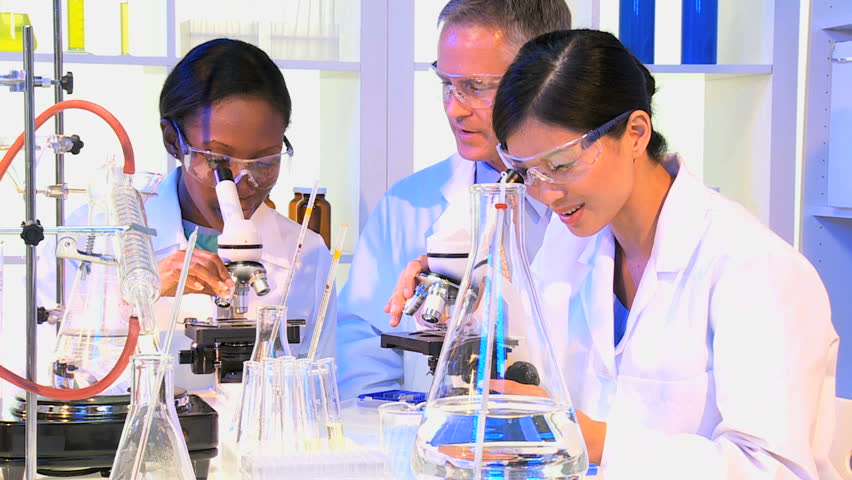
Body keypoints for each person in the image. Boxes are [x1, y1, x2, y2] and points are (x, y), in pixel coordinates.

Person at [489, 29, 839, 479]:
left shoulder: (755, 268)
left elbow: (775, 469)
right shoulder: (566, 243)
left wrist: (594, 440)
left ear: (635, 133)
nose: (547, 194)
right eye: (527, 172)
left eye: (560, 165)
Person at [40, 39, 335, 390]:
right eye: (218, 161)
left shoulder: (307, 254)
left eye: (265, 162)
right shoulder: (90, 237)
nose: (243, 183)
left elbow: (324, 398)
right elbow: (56, 386)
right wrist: (132, 299)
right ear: (172, 141)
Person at [335, 0, 572, 400]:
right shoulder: (407, 205)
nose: (453, 109)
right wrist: (418, 428)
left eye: (475, 87)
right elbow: (362, 356)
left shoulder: (588, 209)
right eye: (447, 84)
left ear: (546, 77)